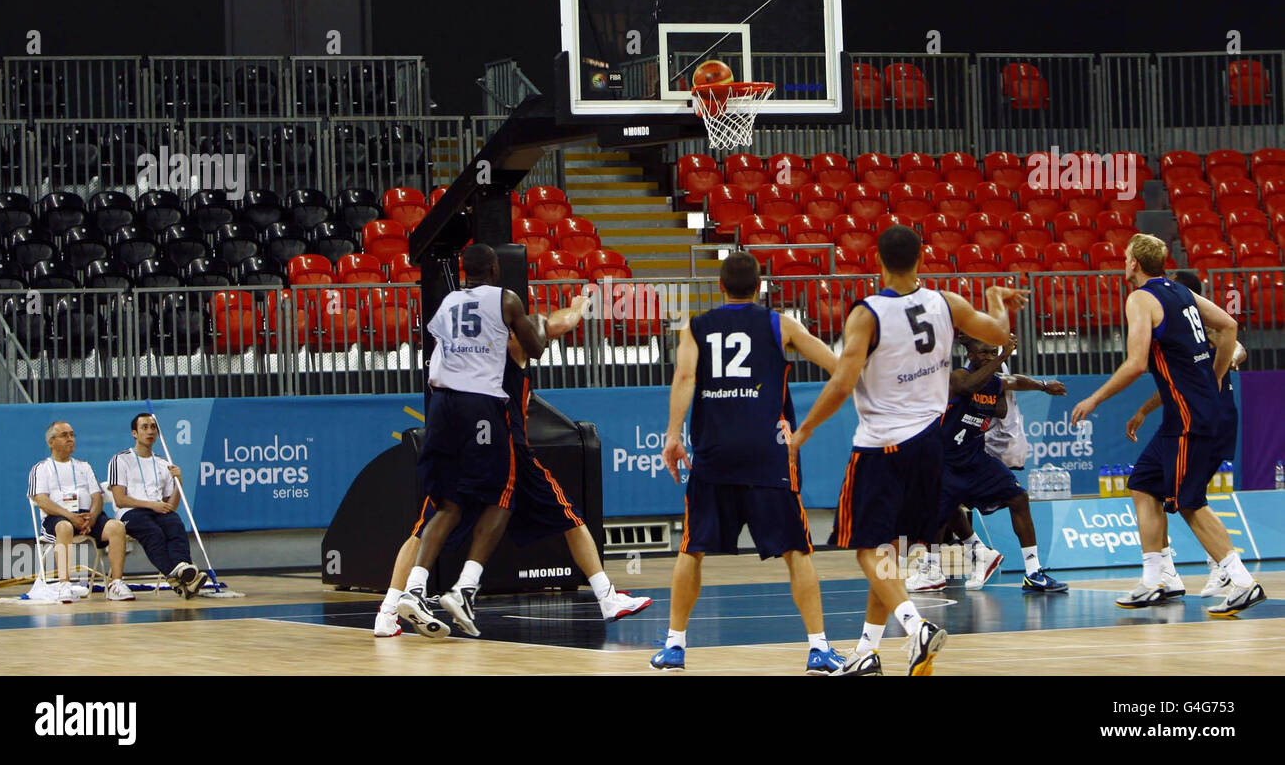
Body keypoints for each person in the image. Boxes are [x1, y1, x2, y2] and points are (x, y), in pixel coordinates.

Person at [788, 225, 1028, 676]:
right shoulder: (947, 303)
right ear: (922, 256)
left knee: (865, 548)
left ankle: (914, 625)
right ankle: (866, 651)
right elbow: (997, 334)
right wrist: (996, 297)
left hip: (882, 447)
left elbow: (842, 382)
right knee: (890, 553)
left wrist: (802, 433)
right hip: (929, 445)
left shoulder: (868, 313)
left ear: (876, 260)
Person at [375, 291, 650, 637]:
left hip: (464, 445)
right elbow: (561, 322)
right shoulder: (517, 341)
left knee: (425, 527)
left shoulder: (468, 352)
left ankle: (388, 612)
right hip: (508, 447)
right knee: (570, 518)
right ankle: (605, 598)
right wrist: (582, 302)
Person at [652, 251, 848, 675]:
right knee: (797, 550)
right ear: (759, 288)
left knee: (691, 548)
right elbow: (838, 367)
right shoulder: (781, 324)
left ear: (719, 286)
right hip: (769, 454)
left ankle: (674, 647)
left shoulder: (696, 327)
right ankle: (819, 648)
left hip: (715, 453)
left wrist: (672, 435)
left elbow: (684, 379)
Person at [1070, 234, 1265, 616]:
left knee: (1189, 501)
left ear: (1133, 264)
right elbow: (1228, 325)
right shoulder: (1180, 293)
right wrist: (1215, 376)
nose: (1124, 262)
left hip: (1191, 416)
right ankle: (1154, 579)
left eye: (1126, 257)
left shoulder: (1140, 299)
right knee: (1143, 483)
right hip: (1189, 414)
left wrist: (1094, 398)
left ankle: (1242, 581)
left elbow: (1137, 363)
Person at [380, 244, 548, 639]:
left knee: (449, 504)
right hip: (479, 405)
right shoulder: (507, 299)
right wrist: (537, 323)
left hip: (440, 406)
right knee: (501, 497)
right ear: (494, 268)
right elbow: (534, 347)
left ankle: (416, 589)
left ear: (463, 269)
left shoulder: (448, 301)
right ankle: (465, 587)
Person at [907, 334, 1069, 594]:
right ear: (970, 355)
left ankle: (1033, 572)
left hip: (975, 459)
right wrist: (1004, 357)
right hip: (943, 462)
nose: (990, 357)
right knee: (934, 518)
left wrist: (1043, 385)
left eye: (994, 353)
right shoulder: (958, 377)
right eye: (985, 352)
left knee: (1018, 498)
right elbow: (970, 387)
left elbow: (1013, 383)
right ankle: (932, 571)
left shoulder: (993, 383)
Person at [1123, 268, 1248, 599]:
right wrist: (1143, 411)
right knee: (1150, 486)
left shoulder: (1205, 329)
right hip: (1186, 419)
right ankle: (1164, 573)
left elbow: (1237, 346)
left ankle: (1226, 571)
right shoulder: (1188, 330)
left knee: (1189, 498)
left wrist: (1224, 363)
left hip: (1207, 422)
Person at [28, 421, 135, 602]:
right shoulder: (41, 468)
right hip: (58, 517)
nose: (70, 439)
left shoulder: (84, 466)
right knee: (64, 527)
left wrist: (91, 519)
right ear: (51, 442)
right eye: (64, 435)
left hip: (88, 516)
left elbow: (97, 496)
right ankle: (64, 584)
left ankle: (116, 583)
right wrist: (70, 517)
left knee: (116, 527)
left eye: (72, 435)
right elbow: (42, 500)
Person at [108, 413, 206, 598]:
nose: (150, 431)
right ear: (134, 433)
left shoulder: (163, 463)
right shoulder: (120, 459)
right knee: (153, 532)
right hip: (131, 512)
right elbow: (120, 499)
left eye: (153, 427)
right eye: (144, 427)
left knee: (175, 524)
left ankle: (183, 570)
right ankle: (180, 578)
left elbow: (172, 506)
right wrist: (152, 505)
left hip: (159, 511)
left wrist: (179, 483)